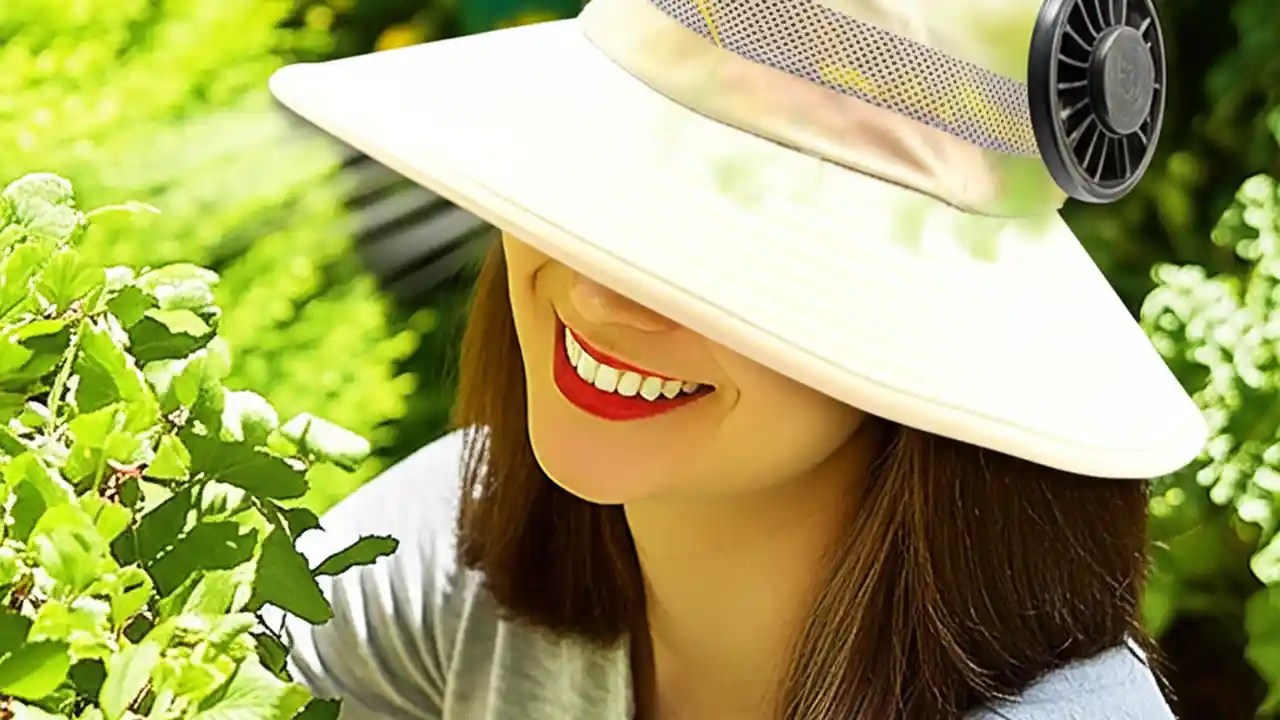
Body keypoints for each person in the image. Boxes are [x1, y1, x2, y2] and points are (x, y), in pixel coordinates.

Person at [267, 0, 1208, 717]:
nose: (598, 294)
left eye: (728, 251)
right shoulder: (455, 548)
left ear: (938, 328)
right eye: (590, 184)